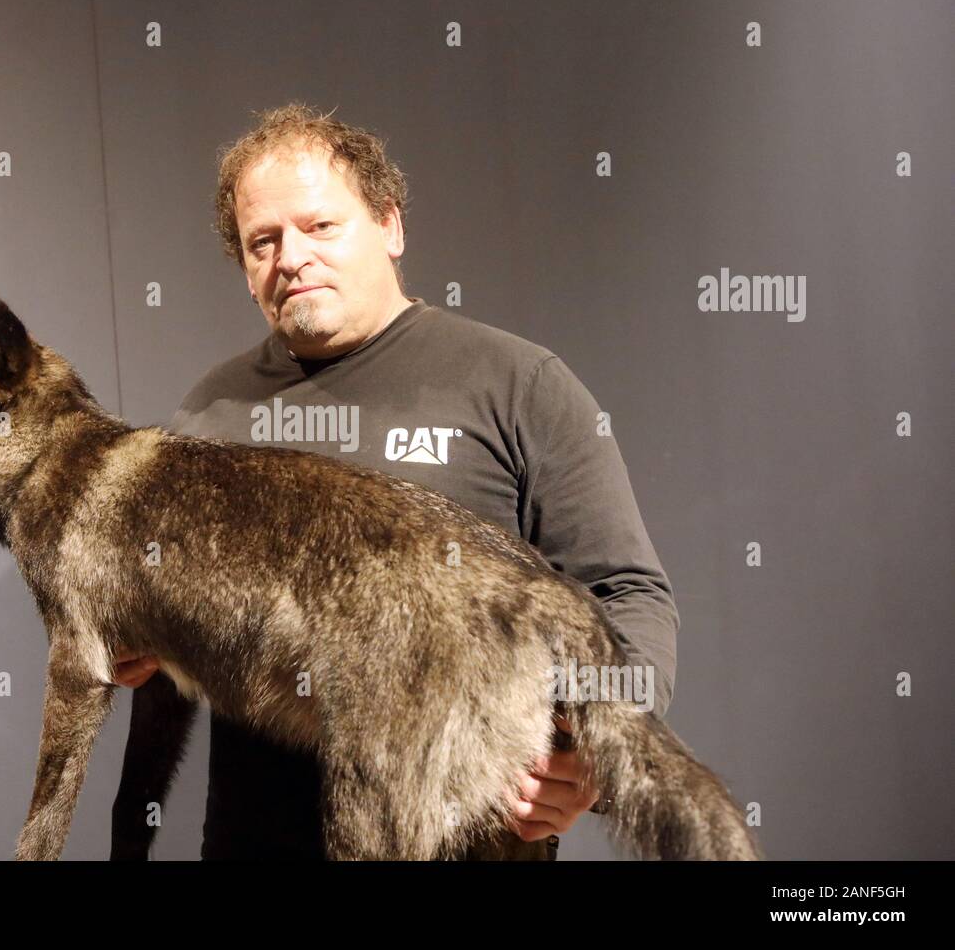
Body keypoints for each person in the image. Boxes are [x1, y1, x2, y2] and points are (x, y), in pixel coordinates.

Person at [113, 103, 679, 860]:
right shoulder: (209, 412)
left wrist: (595, 753)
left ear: (390, 226)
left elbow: (628, 594)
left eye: (320, 227)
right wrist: (133, 641)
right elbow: (158, 620)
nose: (291, 257)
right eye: (263, 242)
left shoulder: (515, 384)